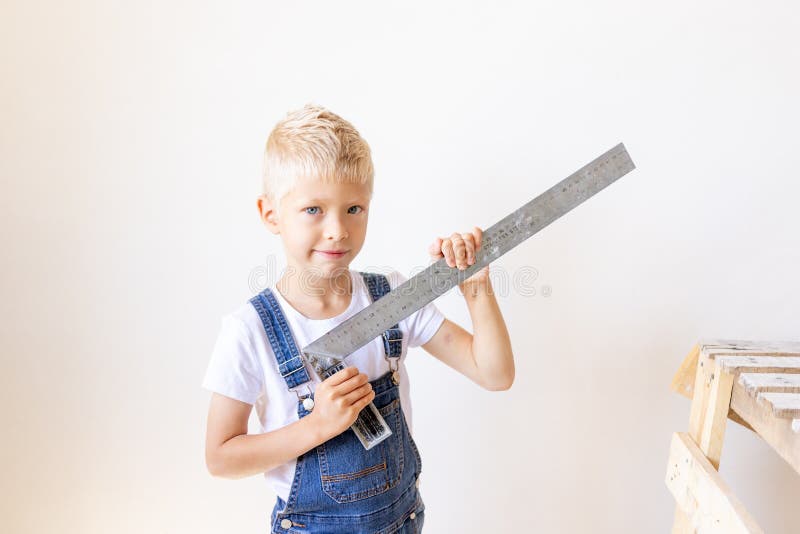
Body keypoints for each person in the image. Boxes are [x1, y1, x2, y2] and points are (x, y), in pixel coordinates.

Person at [202, 104, 515, 533]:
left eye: (354, 209)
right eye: (313, 209)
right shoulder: (249, 331)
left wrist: (475, 288)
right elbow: (220, 457)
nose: (337, 230)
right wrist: (317, 426)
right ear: (270, 213)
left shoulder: (393, 296)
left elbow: (494, 374)